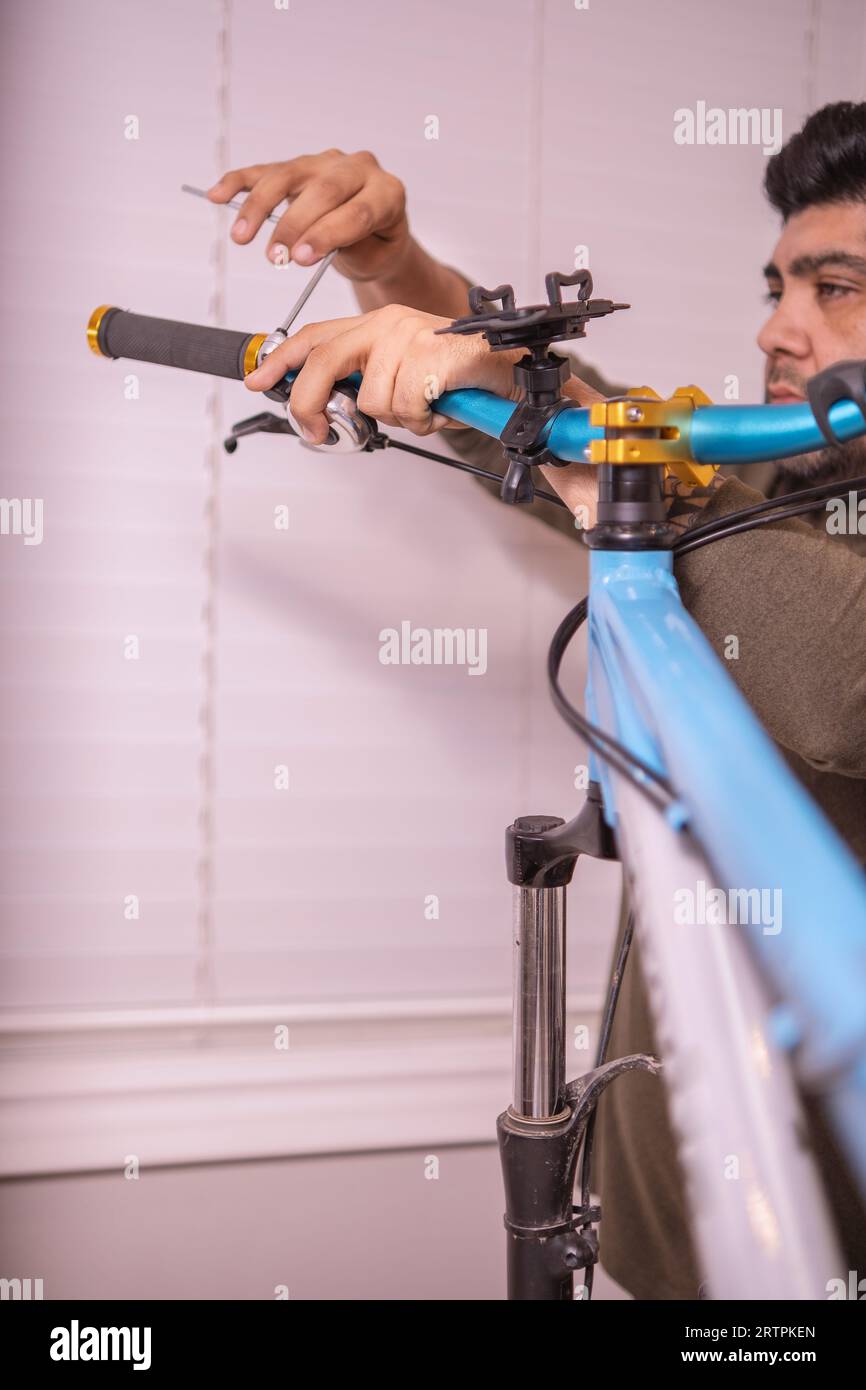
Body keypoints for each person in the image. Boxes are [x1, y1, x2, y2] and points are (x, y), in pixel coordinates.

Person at [208, 101, 866, 1298]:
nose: (777, 329)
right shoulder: (786, 472)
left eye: (837, 288)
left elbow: (847, 675)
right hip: (659, 1234)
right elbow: (594, 430)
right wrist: (393, 270)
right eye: (777, 283)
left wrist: (600, 478)